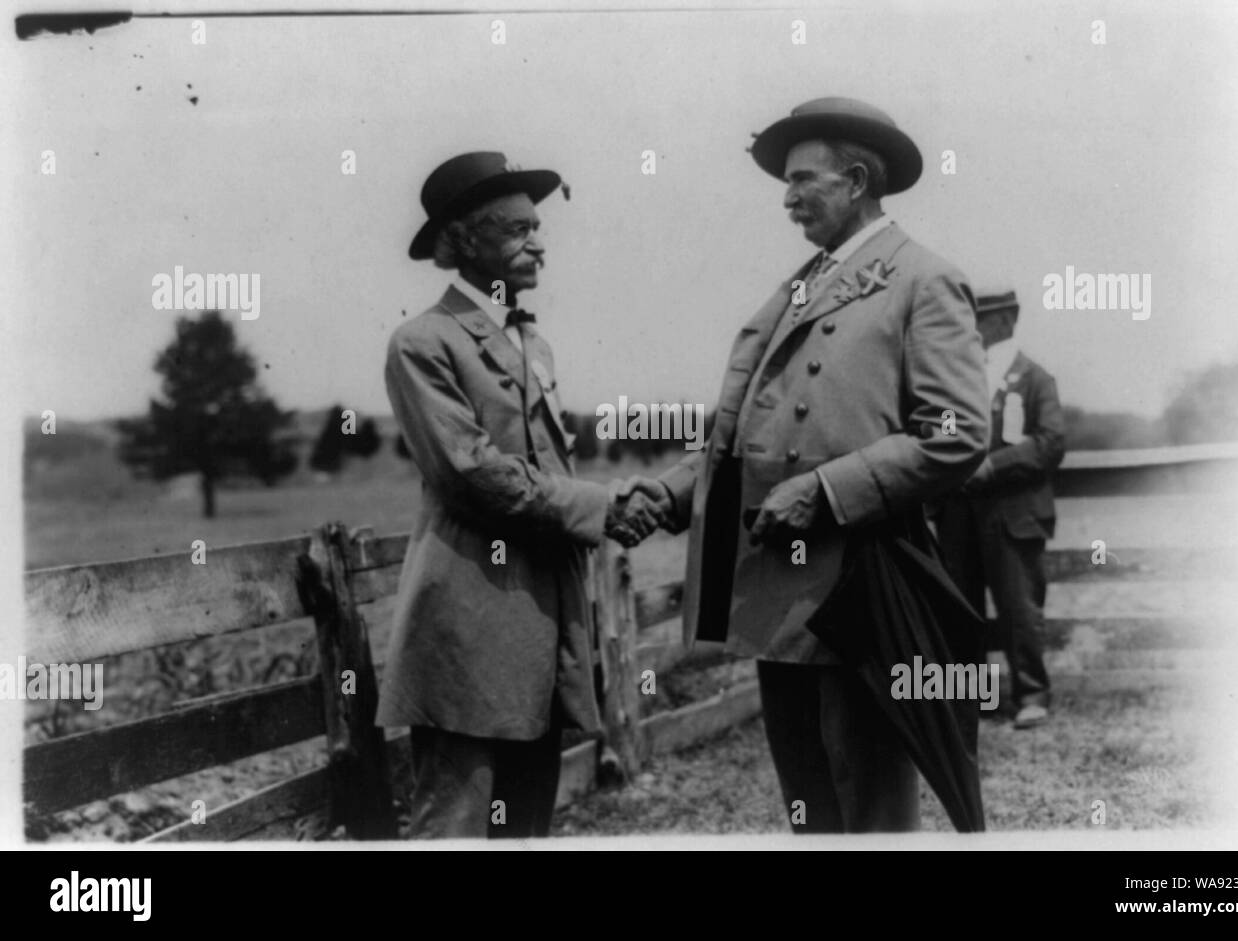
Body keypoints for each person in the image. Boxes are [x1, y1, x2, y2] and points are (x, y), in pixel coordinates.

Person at [626, 98, 989, 832]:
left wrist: (826, 489)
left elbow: (957, 431)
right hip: (778, 594)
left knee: (872, 806)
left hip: (864, 587)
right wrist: (669, 491)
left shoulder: (923, 279)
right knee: (812, 804)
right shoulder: (801, 286)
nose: (788, 200)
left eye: (802, 181)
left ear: (855, 180)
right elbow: (747, 434)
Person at [379, 151, 663, 838]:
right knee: (456, 819)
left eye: (538, 227)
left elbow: (547, 469)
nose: (537, 242)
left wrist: (610, 499)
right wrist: (601, 508)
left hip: (541, 616)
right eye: (514, 230)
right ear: (463, 241)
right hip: (469, 621)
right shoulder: (423, 342)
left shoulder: (532, 341)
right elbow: (472, 473)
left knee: (527, 821)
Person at [933, 288, 1066, 729]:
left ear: (1007, 319)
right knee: (961, 606)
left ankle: (1031, 695)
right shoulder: (958, 379)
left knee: (1019, 609)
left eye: (982, 318)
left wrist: (992, 466)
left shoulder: (1035, 378)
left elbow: (1050, 443)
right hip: (960, 515)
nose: (972, 328)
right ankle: (975, 698)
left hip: (1014, 515)